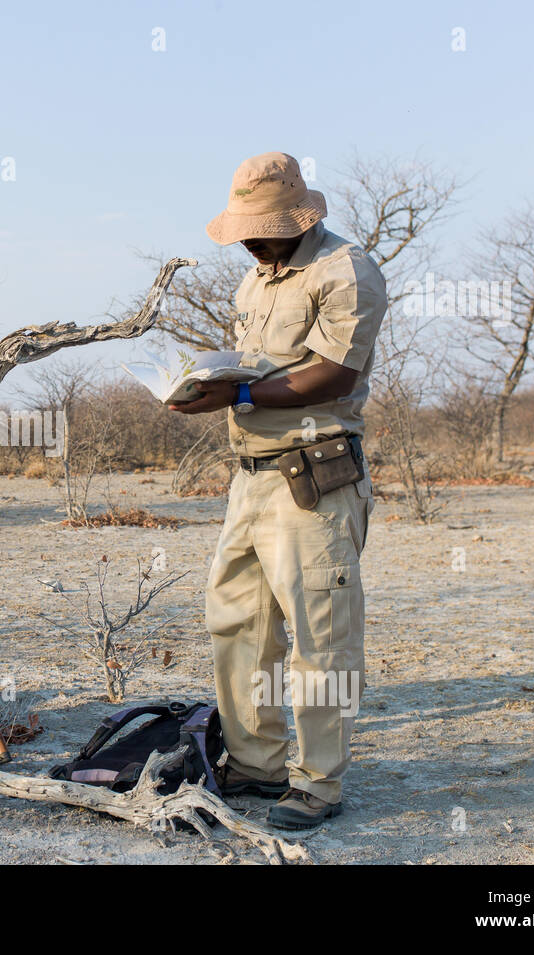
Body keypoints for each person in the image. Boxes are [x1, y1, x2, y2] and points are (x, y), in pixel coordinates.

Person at [169, 152, 387, 830]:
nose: (248, 239)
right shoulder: (254, 283)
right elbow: (258, 365)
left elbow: (334, 375)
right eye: (243, 227)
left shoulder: (345, 271)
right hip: (251, 479)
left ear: (297, 216)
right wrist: (208, 385)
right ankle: (256, 764)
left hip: (314, 478)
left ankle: (319, 783)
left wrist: (234, 392)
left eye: (259, 226)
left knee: (322, 635)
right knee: (238, 623)